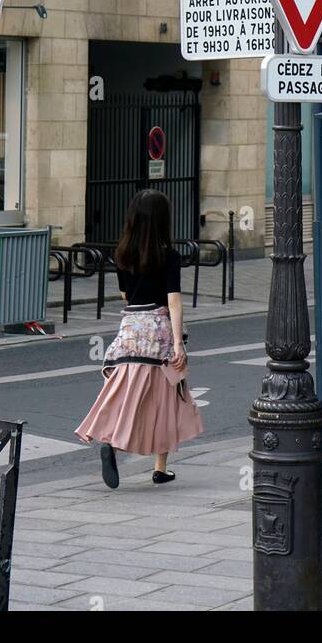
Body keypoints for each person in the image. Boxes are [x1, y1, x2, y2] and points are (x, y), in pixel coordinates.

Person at [75, 190, 203, 487]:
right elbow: (173, 301)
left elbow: (125, 295)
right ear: (162, 220)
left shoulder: (122, 254)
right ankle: (159, 467)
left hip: (130, 330)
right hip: (158, 331)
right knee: (166, 396)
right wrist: (179, 342)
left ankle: (117, 445)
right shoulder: (168, 255)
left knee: (127, 394)